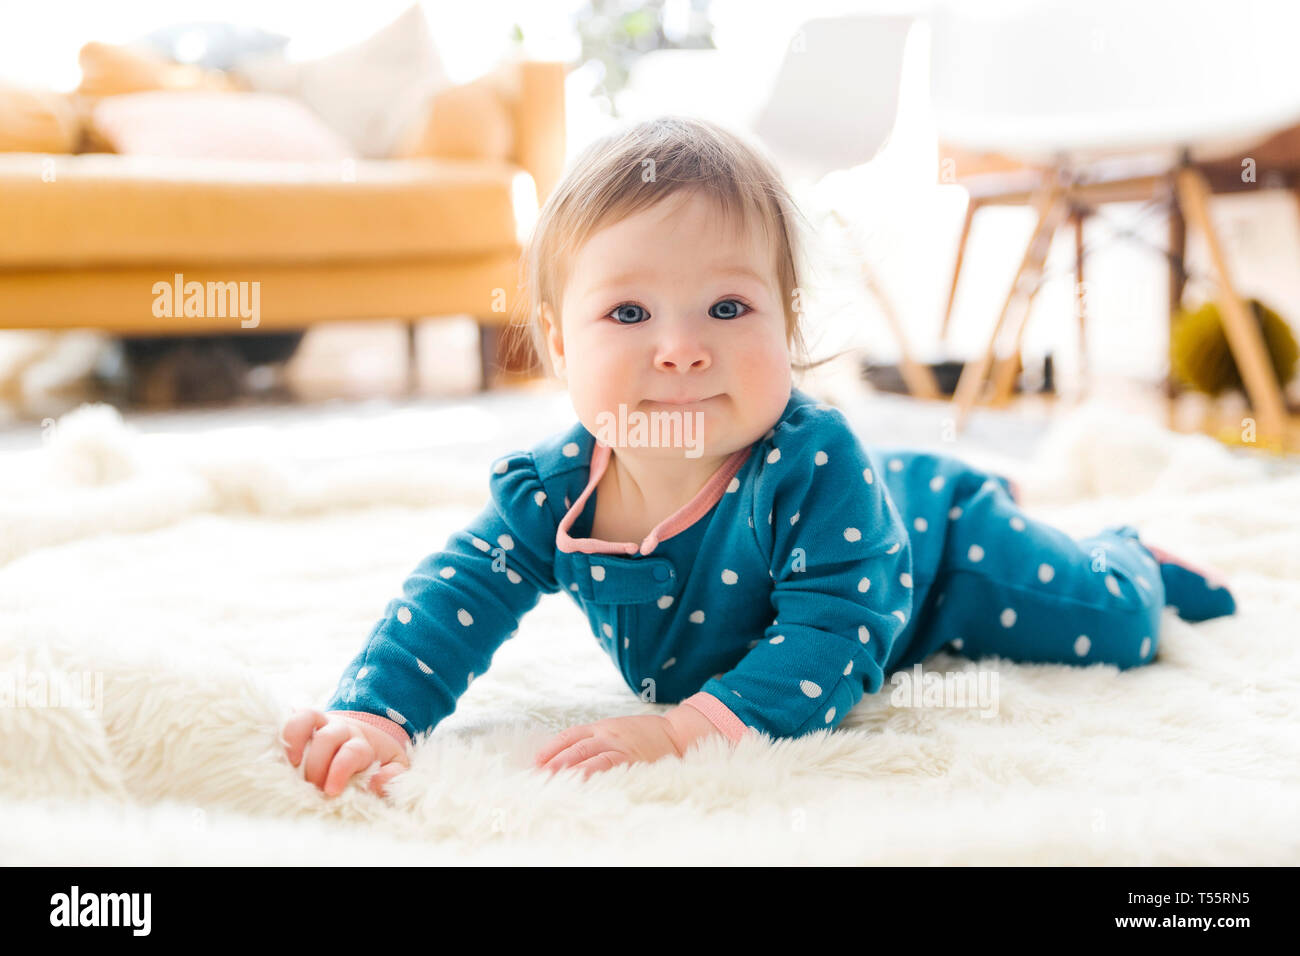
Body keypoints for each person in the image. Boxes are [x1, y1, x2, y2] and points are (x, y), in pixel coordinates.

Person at [281, 116, 1236, 797]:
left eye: (729, 309)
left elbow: (837, 637)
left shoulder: (811, 465)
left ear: (789, 327)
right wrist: (378, 713)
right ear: (558, 344)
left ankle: (1129, 555)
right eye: (628, 313)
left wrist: (681, 731)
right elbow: (457, 593)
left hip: (939, 548)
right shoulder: (557, 491)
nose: (683, 349)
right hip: (889, 528)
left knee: (1110, 625)